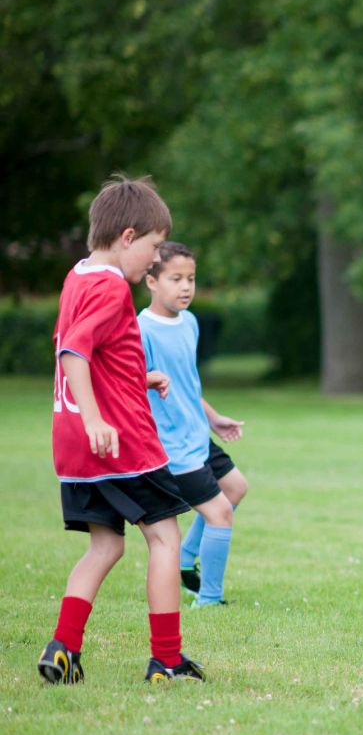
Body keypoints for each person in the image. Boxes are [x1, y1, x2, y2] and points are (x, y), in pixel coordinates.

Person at [40, 175, 205, 684]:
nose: (153, 262)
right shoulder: (112, 287)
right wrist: (96, 417)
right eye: (153, 249)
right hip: (118, 439)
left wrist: (137, 376)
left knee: (106, 545)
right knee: (165, 537)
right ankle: (167, 659)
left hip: (73, 444)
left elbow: (91, 349)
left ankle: (63, 649)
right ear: (128, 237)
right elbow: (74, 352)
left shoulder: (78, 276)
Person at [138, 241, 248, 607]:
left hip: (197, 434)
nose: (186, 287)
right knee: (220, 514)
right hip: (172, 446)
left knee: (236, 488)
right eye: (176, 279)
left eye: (191, 278)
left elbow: (188, 385)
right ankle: (209, 599)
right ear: (152, 281)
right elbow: (127, 385)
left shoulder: (190, 322)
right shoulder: (141, 330)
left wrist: (213, 418)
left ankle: (186, 559)